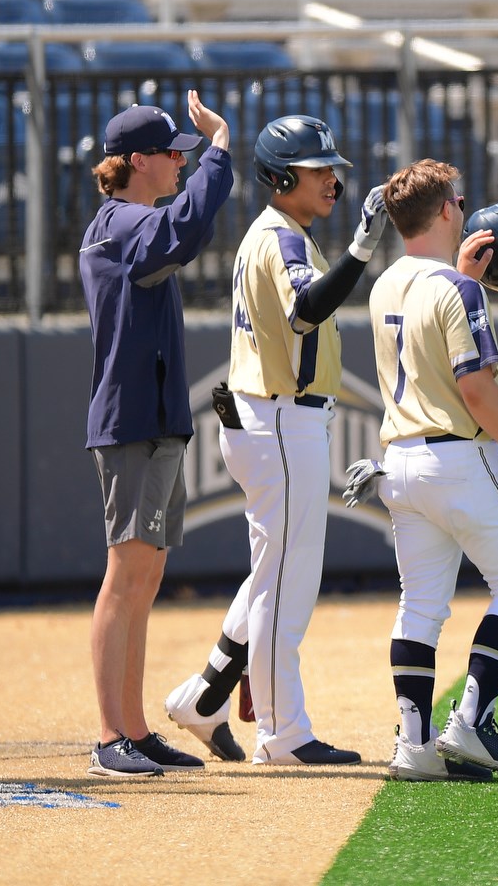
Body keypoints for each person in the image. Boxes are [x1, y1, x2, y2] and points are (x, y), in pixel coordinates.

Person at [164, 116, 388, 768]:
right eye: (319, 170)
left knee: (273, 571)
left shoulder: (280, 233)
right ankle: (284, 731)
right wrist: (362, 250)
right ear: (280, 177)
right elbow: (307, 308)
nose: (333, 179)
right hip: (279, 417)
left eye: (332, 168)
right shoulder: (282, 238)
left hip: (272, 416)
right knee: (289, 579)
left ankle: (204, 695)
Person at [357, 157, 498, 783]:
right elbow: (475, 389)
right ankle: (471, 720)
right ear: (444, 211)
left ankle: (414, 743)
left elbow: (428, 311)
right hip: (459, 456)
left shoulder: (386, 282)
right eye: (459, 203)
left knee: (421, 605)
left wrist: (459, 276)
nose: (465, 211)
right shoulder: (456, 288)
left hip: (400, 464)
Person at [80, 96, 234, 779]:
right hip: (133, 419)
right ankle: (111, 732)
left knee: (145, 575)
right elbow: (185, 227)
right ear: (136, 161)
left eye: (187, 151)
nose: (182, 159)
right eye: (172, 152)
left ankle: (135, 729)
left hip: (151, 416)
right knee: (126, 574)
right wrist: (222, 148)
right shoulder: (122, 222)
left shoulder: (125, 222)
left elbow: (176, 227)